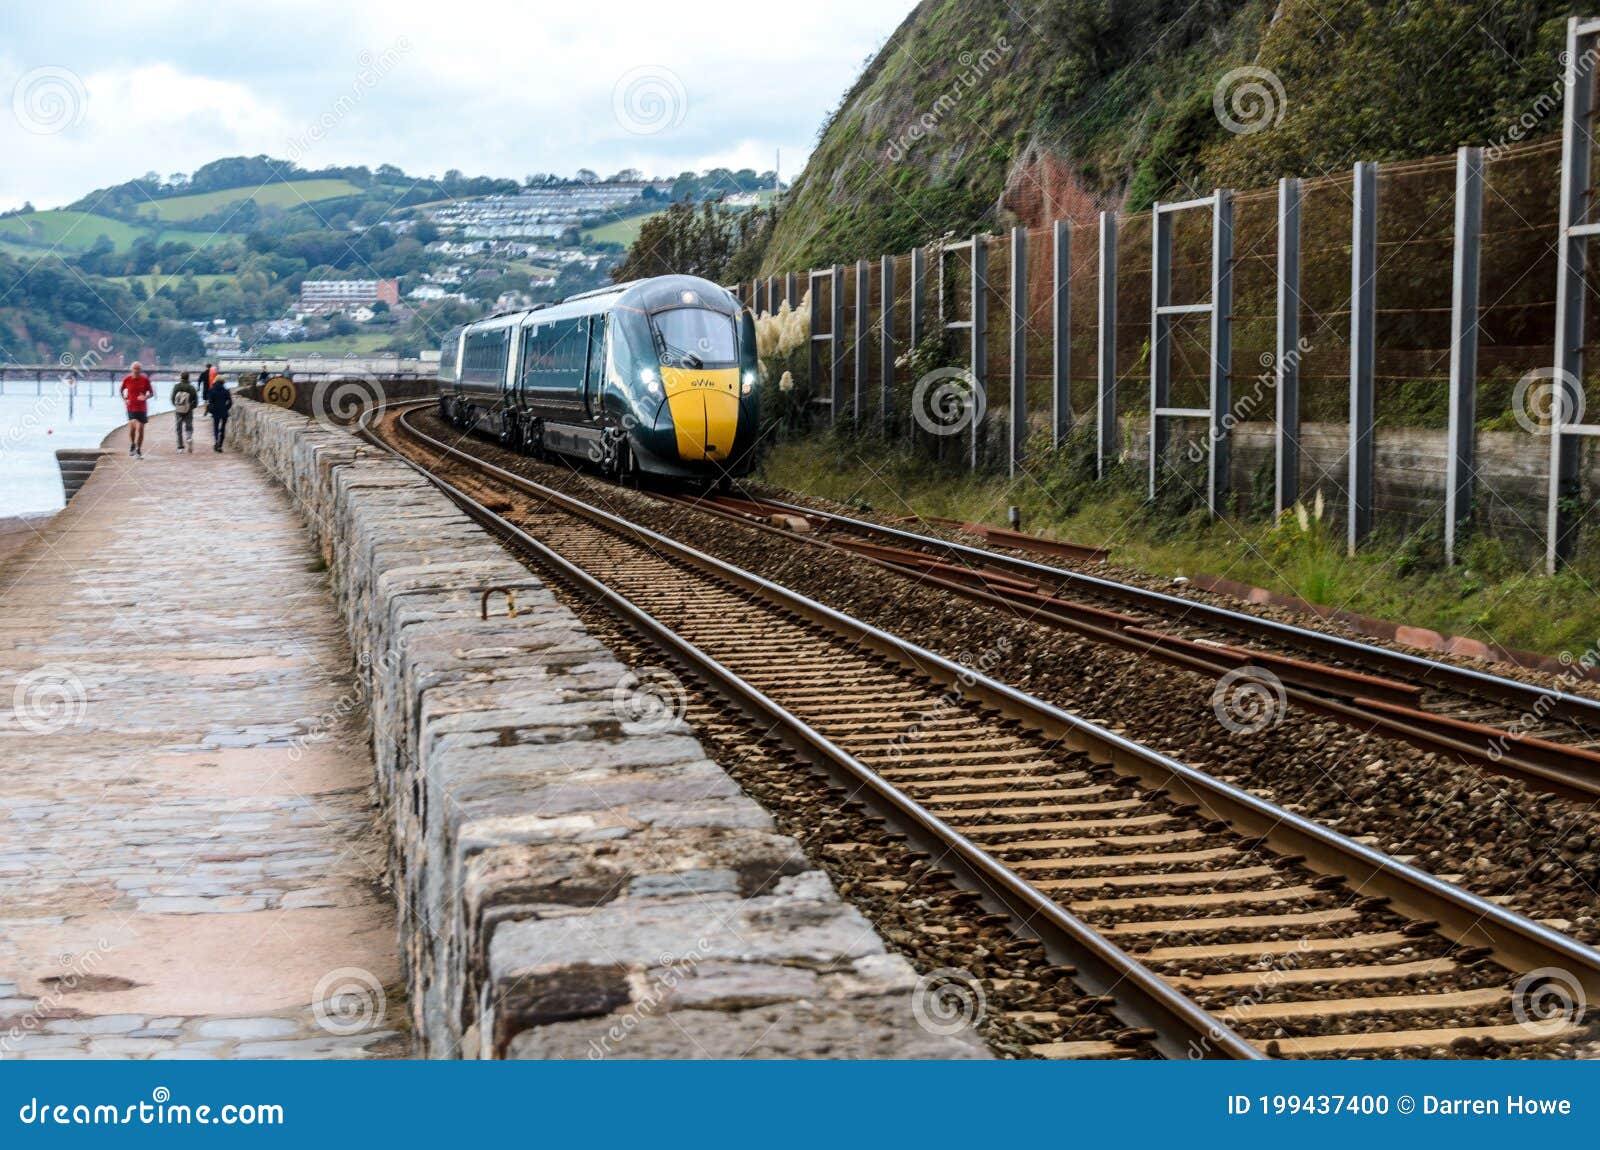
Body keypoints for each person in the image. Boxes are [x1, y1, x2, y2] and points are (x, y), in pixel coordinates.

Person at [119, 362, 154, 458]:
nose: (136, 370)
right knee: (133, 426)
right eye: (134, 368)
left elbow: (151, 393)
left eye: (138, 369)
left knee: (141, 429)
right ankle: (132, 444)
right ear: (131, 369)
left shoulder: (145, 380)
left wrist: (145, 397)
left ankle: (138, 449)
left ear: (140, 370)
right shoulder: (127, 379)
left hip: (142, 408)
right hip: (131, 407)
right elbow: (121, 390)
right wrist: (125, 399)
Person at [171, 371, 198, 453]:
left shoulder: (176, 387)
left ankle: (180, 447)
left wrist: (177, 406)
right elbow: (196, 401)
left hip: (178, 410)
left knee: (179, 428)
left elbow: (172, 398)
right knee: (188, 426)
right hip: (188, 410)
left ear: (181, 377)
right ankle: (189, 438)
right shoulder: (191, 387)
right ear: (188, 377)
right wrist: (191, 407)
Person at [206, 372, 232, 452]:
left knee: (216, 428)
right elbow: (230, 402)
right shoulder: (226, 391)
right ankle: (220, 445)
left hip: (215, 411)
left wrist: (211, 410)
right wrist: (226, 408)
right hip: (224, 411)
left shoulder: (211, 390)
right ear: (223, 381)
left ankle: (216, 441)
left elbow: (210, 402)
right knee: (223, 428)